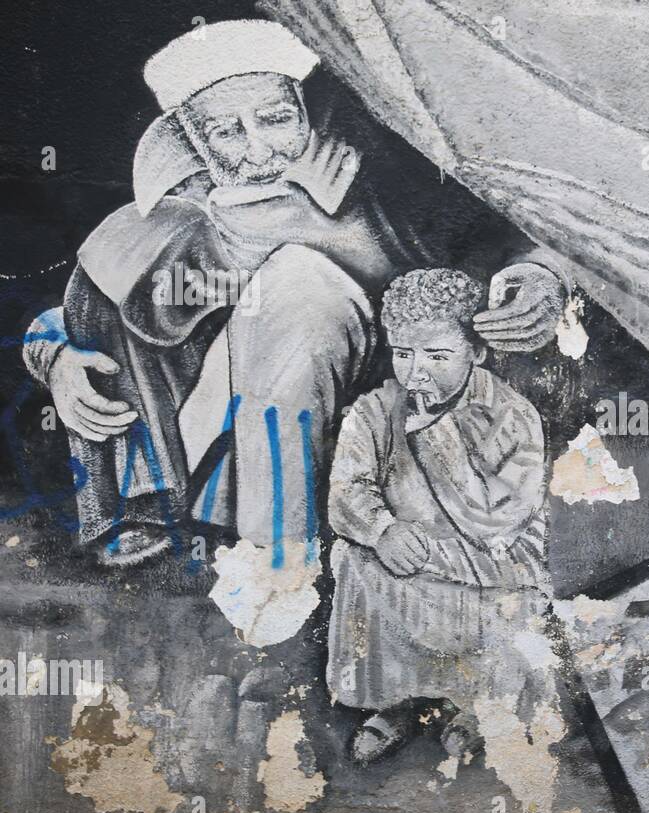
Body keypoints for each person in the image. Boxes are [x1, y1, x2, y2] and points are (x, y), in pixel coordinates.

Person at [21, 19, 566, 566]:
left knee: (299, 285)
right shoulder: (171, 218)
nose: (258, 150)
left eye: (276, 120)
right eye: (227, 132)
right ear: (193, 140)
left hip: (384, 420)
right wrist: (57, 358)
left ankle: (284, 556)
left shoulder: (376, 190)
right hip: (205, 458)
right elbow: (84, 308)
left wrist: (540, 278)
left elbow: (504, 238)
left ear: (305, 111)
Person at [325, 268, 553, 767]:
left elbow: (498, 520)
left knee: (505, 609)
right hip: (406, 553)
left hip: (485, 562)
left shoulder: (514, 416)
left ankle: (476, 704)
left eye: (437, 355)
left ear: (477, 351)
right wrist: (381, 528)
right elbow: (346, 490)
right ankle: (398, 702)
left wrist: (436, 434)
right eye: (403, 353)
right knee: (353, 557)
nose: (415, 372)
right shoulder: (375, 410)